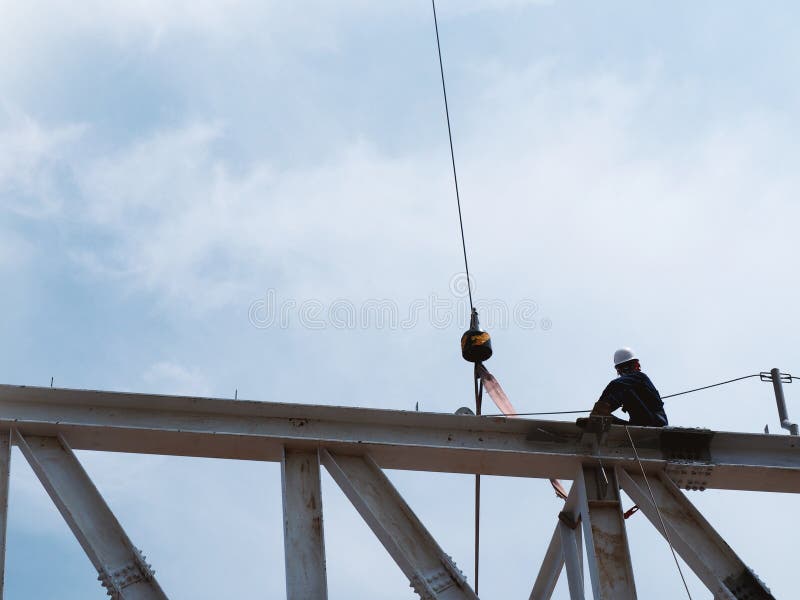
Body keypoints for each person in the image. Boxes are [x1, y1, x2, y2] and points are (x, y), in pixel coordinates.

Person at [591, 347, 668, 427]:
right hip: (640, 423)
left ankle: (598, 416)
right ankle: (599, 417)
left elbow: (616, 384)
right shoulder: (629, 385)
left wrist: (599, 409)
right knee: (610, 419)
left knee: (622, 388)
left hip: (655, 422)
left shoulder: (640, 378)